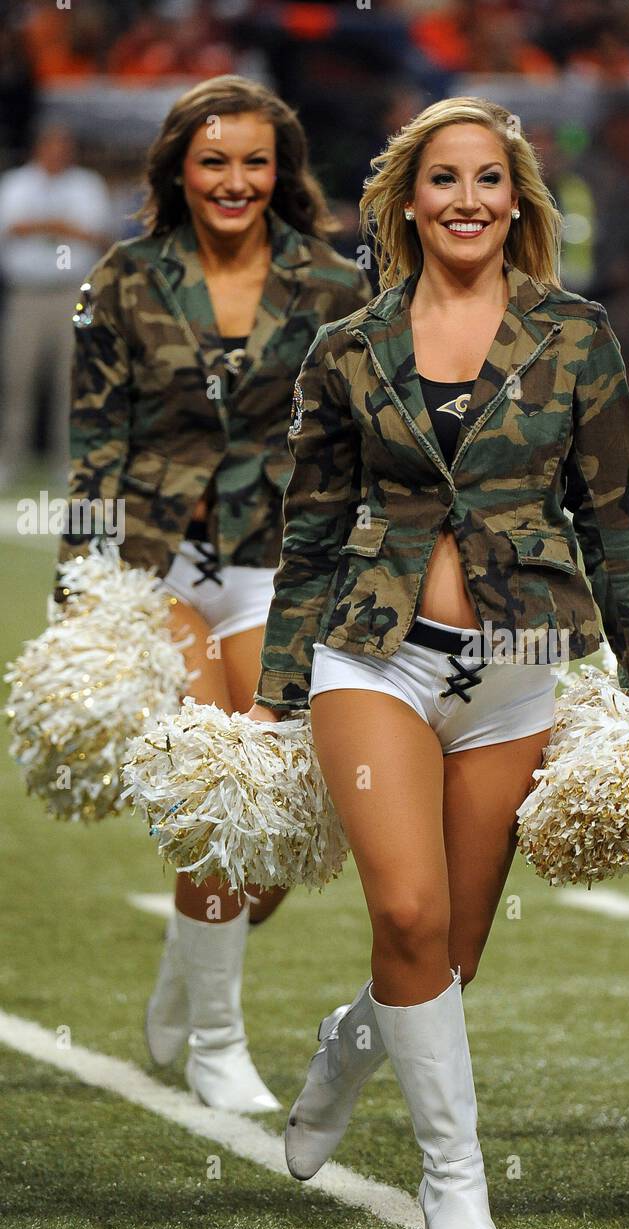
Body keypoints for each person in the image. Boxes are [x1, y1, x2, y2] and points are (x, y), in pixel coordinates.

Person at [246, 95, 629, 1229]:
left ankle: (350, 1039)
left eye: (489, 179)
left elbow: (615, 519)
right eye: (445, 178)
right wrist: (275, 688)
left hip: (520, 664)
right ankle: (455, 1180)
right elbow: (310, 531)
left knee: (452, 955)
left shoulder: (576, 333)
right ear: (406, 200)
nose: (468, 200)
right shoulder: (348, 347)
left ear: (518, 199)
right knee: (407, 910)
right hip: (373, 654)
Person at [55, 75, 371, 1112]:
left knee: (276, 834)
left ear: (279, 172)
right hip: (162, 565)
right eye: (212, 161)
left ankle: (186, 961)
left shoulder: (332, 285)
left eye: (253, 162)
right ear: (177, 171)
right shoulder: (123, 278)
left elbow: (363, 440)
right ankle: (217, 1044)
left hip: (281, 566)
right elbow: (96, 445)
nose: (234, 181)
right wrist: (82, 592)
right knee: (214, 780)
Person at [0, 121, 111, 486]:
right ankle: (9, 459)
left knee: (71, 379)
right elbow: (11, 229)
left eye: (64, 145)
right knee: (18, 378)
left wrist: (44, 227)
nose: (58, 152)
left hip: (71, 292)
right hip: (27, 293)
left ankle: (66, 463)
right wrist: (61, 226)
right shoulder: (16, 183)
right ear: (39, 148)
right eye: (52, 145)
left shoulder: (86, 184)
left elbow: (96, 235)